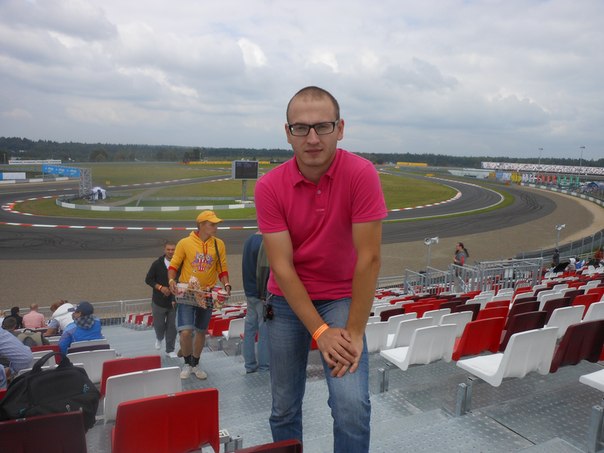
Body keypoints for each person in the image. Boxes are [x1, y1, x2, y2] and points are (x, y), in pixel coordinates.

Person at [254, 86, 387, 452]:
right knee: (284, 406)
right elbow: (281, 266)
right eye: (301, 128)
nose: (312, 138)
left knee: (351, 406)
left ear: (340, 129)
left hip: (341, 297)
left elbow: (369, 258)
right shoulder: (269, 186)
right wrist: (320, 332)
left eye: (322, 127)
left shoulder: (361, 174)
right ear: (287, 133)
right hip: (285, 301)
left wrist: (354, 332)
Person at [168, 210, 231, 380]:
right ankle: (187, 363)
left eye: (216, 224)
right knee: (186, 332)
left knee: (201, 331)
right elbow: (174, 266)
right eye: (212, 224)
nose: (216, 227)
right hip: (187, 293)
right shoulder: (185, 243)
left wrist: (226, 284)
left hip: (207, 293)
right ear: (201, 225)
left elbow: (222, 268)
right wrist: (171, 280)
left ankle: (195, 363)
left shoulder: (219, 244)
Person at [241, 231, 270, 373]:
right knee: (264, 330)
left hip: (250, 292)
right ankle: (265, 365)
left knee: (249, 329)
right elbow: (265, 269)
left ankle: (249, 364)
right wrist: (264, 294)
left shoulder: (249, 240)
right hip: (262, 294)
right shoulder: (265, 242)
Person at [145, 241, 179, 358]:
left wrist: (174, 296)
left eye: (173, 249)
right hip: (158, 302)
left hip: (174, 302)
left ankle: (170, 350)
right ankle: (159, 338)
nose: (171, 252)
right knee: (159, 326)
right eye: (168, 249)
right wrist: (160, 287)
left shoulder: (180, 264)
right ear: (164, 250)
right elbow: (148, 279)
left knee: (172, 327)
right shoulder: (156, 264)